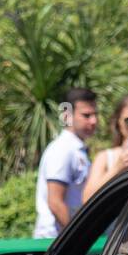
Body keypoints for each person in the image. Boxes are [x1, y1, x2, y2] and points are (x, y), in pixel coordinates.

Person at [34, 87, 97, 238]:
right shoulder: (63, 149)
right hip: (53, 242)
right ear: (67, 115)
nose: (94, 121)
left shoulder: (75, 149)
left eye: (95, 114)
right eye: (86, 115)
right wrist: (78, 239)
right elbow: (55, 202)